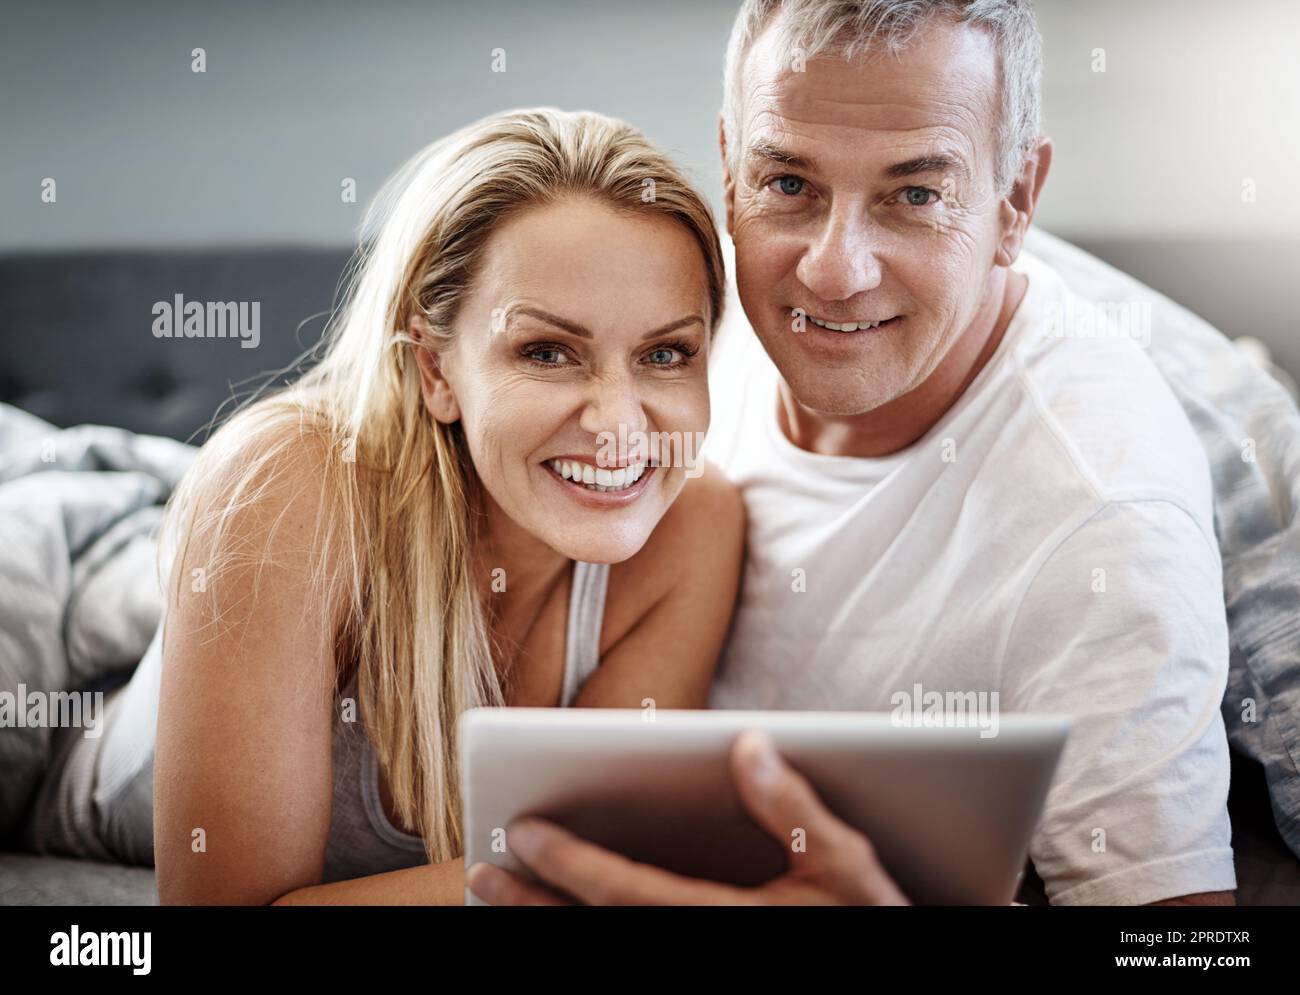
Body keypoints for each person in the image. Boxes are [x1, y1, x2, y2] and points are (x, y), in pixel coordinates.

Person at [469, 0, 1238, 906]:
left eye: (915, 194)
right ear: (727, 167)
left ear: (1016, 201)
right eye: (788, 184)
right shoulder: (672, 315)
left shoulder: (1105, 525)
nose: (834, 273)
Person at [26, 107, 745, 905]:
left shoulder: (697, 523)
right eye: (547, 352)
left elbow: (584, 856)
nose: (619, 424)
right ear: (436, 370)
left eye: (666, 354)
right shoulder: (287, 487)